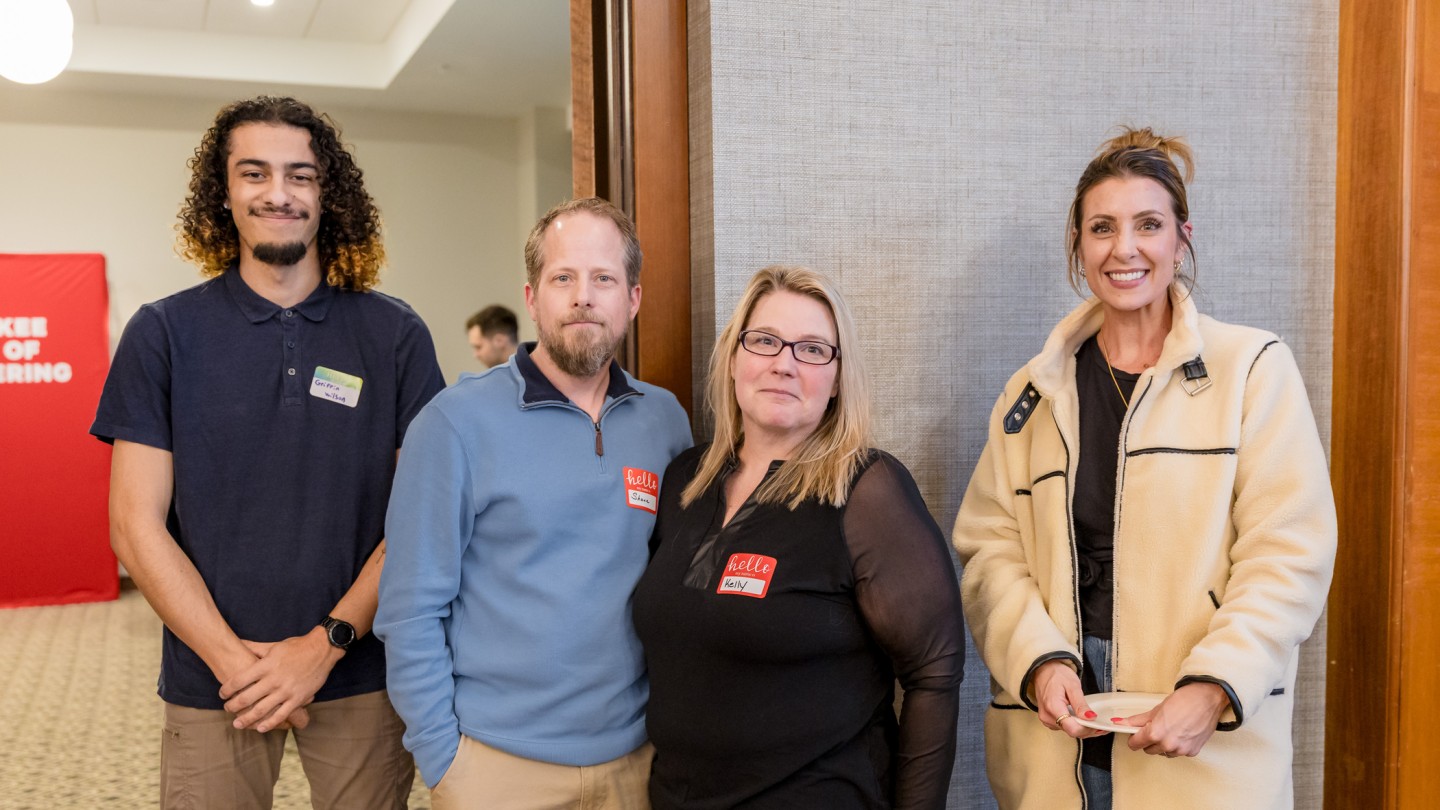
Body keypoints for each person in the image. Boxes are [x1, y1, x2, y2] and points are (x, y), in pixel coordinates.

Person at [952, 128, 1337, 809]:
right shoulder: (1031, 394)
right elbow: (990, 550)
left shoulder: (1251, 370)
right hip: (1059, 726)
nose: (1124, 248)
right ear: (1078, 246)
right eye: (1102, 227)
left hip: (1195, 729)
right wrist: (1039, 663)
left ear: (1181, 239)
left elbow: (1289, 553)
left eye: (1148, 225)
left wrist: (1213, 684)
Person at [91, 96, 445, 808]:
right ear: (223, 193)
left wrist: (323, 646)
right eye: (254, 173)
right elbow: (134, 523)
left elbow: (423, 517)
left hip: (359, 668)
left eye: (300, 175)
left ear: (327, 194)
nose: (278, 193)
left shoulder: (394, 334)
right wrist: (236, 663)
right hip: (214, 677)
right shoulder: (163, 333)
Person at [375, 197, 693, 808]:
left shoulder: (664, 421)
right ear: (532, 297)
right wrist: (442, 757)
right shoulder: (453, 423)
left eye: (604, 279)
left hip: (637, 760)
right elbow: (409, 608)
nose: (583, 297)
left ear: (633, 299)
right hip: (495, 767)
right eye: (563, 278)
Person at [633, 265, 964, 809]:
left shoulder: (867, 493)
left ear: (837, 379)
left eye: (812, 350)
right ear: (734, 359)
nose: (784, 364)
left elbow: (934, 672)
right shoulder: (685, 480)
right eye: (764, 341)